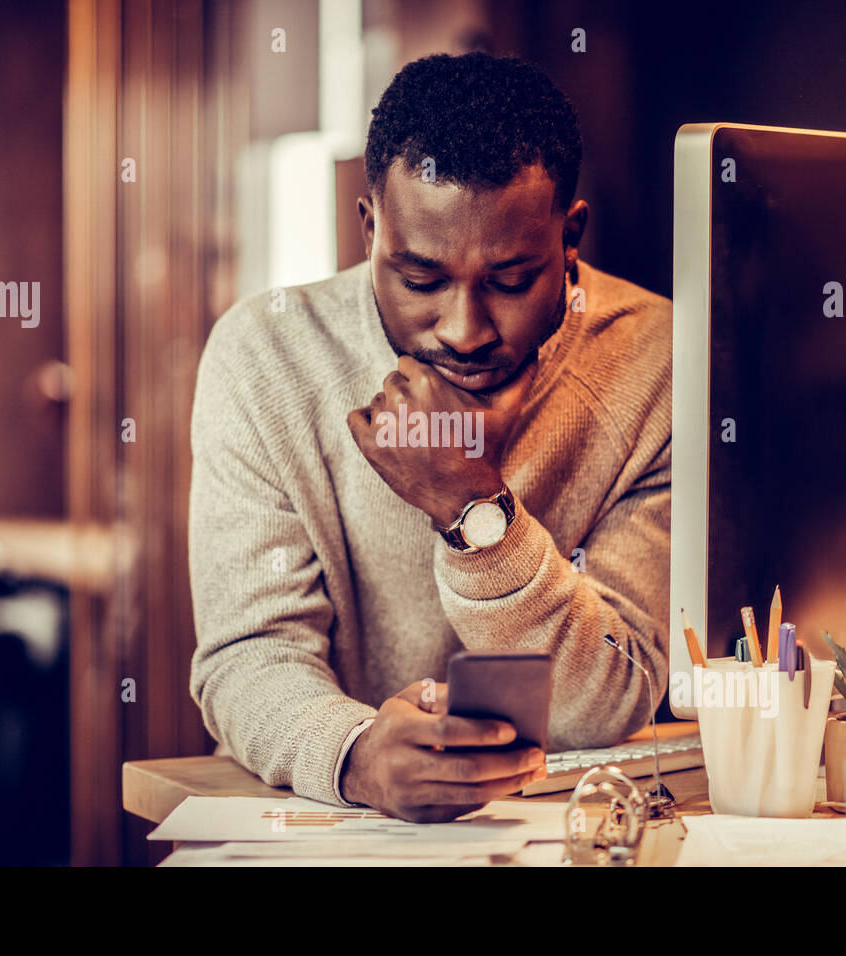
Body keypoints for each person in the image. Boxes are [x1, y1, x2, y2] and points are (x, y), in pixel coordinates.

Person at [189, 52, 671, 822]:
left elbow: (611, 696)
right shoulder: (264, 357)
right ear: (370, 225)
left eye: (511, 280)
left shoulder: (657, 363)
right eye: (420, 279)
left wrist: (474, 506)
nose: (464, 328)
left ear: (570, 234)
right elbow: (249, 657)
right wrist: (355, 755)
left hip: (558, 831)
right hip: (311, 830)